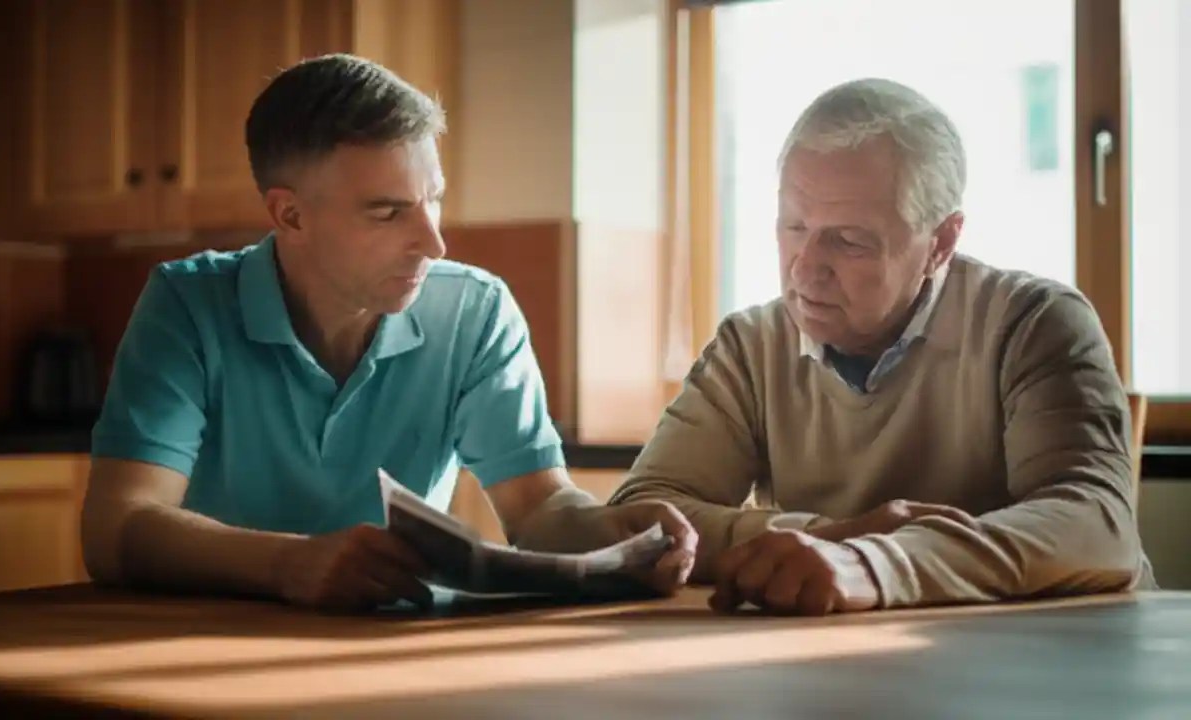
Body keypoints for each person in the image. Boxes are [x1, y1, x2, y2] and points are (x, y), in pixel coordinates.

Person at [80, 53, 696, 613]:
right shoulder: (187, 303)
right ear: (289, 214)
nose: (434, 242)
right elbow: (116, 526)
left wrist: (612, 531)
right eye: (388, 211)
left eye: (433, 201)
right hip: (199, 641)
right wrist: (292, 563)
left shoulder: (475, 311)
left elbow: (538, 507)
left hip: (395, 641)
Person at [610, 77, 1153, 615]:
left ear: (940, 243)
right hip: (837, 663)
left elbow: (1096, 525)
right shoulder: (751, 346)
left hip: (1045, 671)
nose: (805, 267)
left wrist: (876, 564)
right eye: (793, 226)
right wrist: (829, 538)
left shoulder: (1034, 323)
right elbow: (639, 521)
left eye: (848, 240)